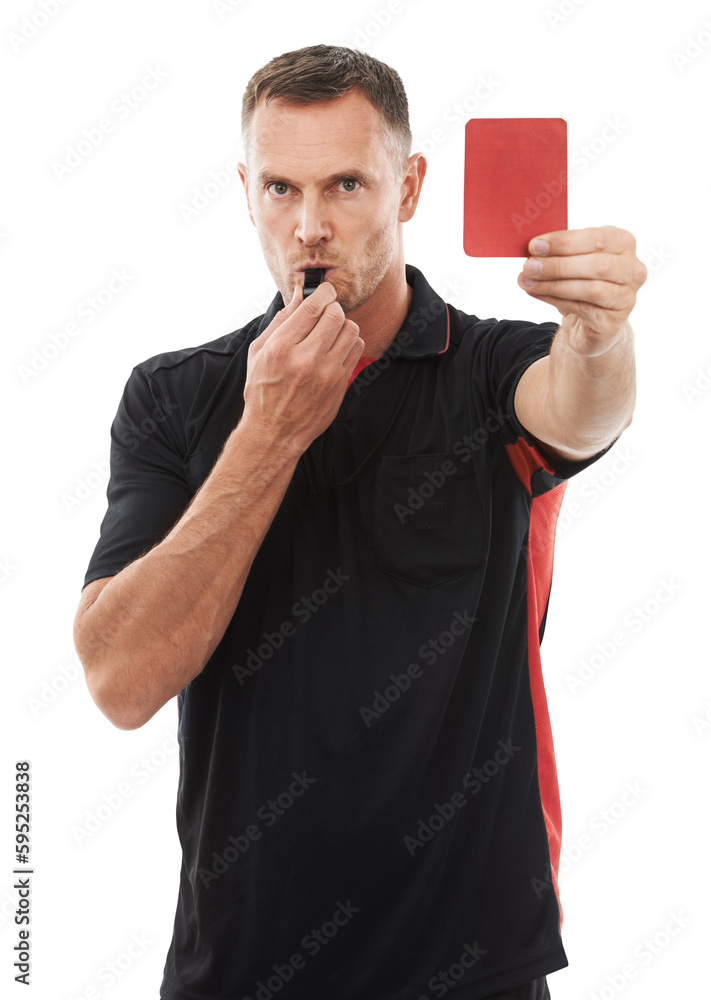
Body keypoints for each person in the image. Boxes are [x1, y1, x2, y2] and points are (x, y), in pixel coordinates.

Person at [72, 43, 646, 1000]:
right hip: (241, 969)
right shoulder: (172, 397)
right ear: (245, 193)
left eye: (345, 184)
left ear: (407, 187)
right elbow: (120, 682)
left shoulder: (490, 369)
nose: (309, 226)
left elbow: (583, 408)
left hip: (471, 969)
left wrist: (599, 335)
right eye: (281, 189)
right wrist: (267, 435)